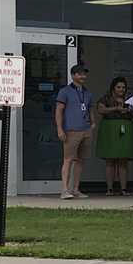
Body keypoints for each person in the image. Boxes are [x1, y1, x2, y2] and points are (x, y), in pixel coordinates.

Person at [54, 64, 94, 200]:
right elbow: (59, 110)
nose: (83, 76)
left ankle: (76, 189)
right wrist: (60, 129)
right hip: (71, 129)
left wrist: (92, 123)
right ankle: (64, 190)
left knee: (80, 160)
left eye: (84, 74)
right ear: (73, 75)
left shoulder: (87, 93)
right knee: (68, 159)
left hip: (86, 129)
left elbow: (90, 109)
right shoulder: (65, 91)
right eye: (79, 74)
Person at [95, 76, 133, 195]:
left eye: (123, 87)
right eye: (118, 87)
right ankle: (109, 189)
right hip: (110, 129)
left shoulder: (129, 99)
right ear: (113, 88)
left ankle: (123, 189)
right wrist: (116, 108)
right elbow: (100, 110)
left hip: (125, 129)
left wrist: (130, 110)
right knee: (110, 160)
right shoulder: (106, 98)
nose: (121, 89)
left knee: (123, 160)